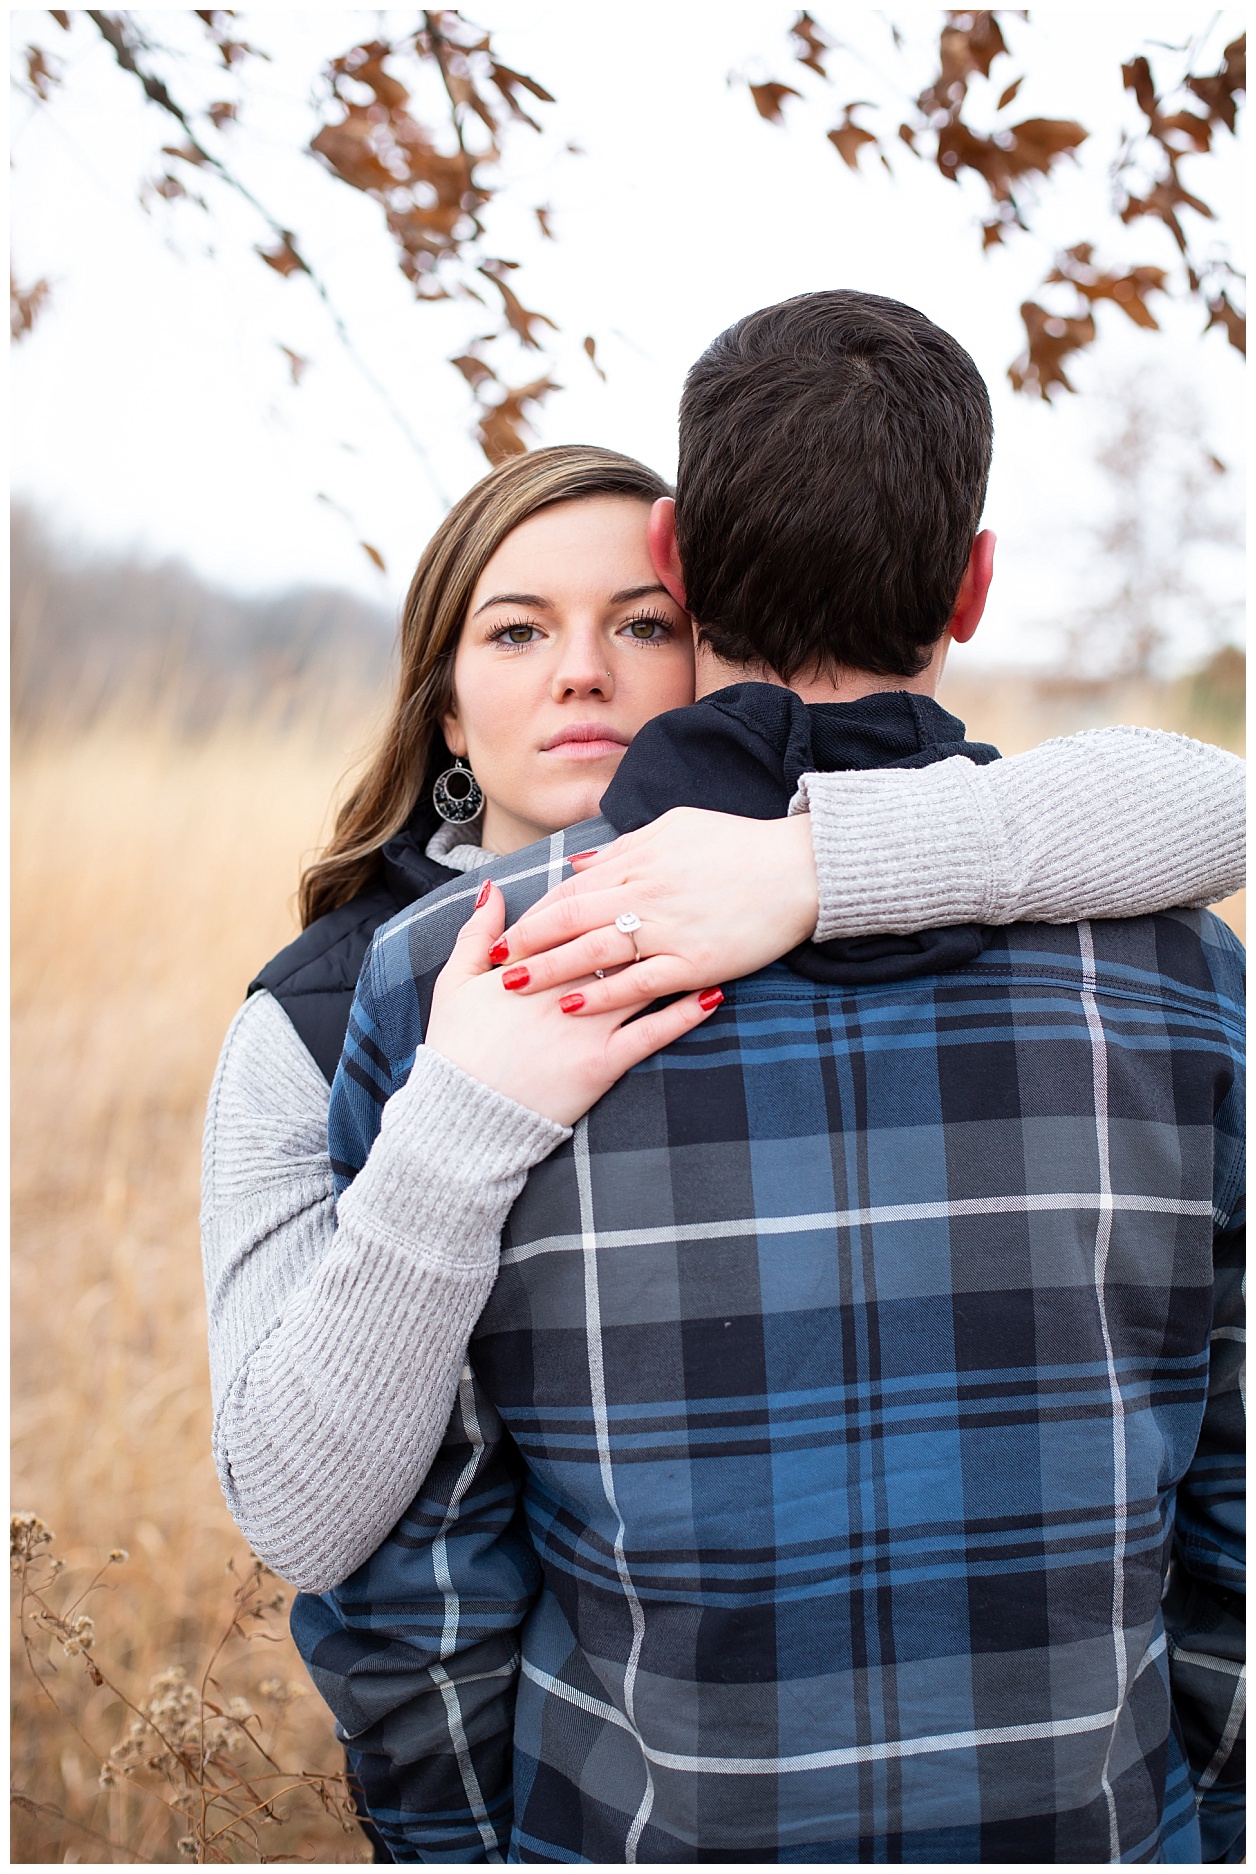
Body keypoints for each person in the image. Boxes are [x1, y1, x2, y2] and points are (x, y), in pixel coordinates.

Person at [298, 291, 1244, 1864]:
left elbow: (412, 1565)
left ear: (673, 560)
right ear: (976, 584)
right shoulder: (1189, 985)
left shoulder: (467, 975)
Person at [201, 444, 1244, 1599]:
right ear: (443, 707)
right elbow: (297, 1519)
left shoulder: (822, 906)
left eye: (642, 625)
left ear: (710, 648)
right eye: (516, 631)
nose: (583, 671)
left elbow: (1214, 807)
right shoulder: (314, 1015)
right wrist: (456, 1116)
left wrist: (812, 863)